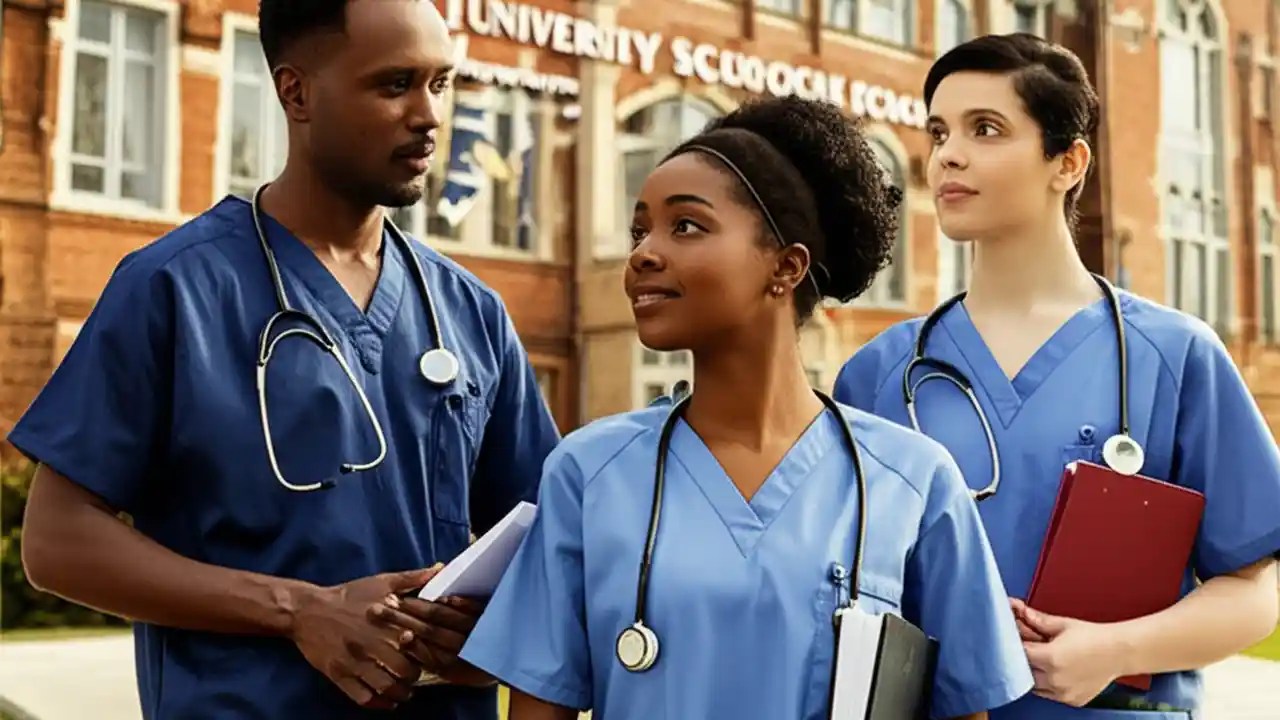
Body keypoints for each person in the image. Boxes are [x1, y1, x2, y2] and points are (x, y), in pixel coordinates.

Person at [10, 1, 559, 718]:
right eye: (395, 84)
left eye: (440, 84)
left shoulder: (471, 312)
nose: (428, 116)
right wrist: (298, 610)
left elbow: (550, 540)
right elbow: (56, 542)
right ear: (295, 91)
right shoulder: (175, 288)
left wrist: (490, 632)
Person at [419, 95, 1034, 720]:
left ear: (786, 266)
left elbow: (964, 708)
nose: (643, 255)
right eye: (641, 231)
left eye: (685, 226)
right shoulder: (587, 472)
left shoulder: (915, 480)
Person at [834, 33, 1280, 720]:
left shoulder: (1174, 356)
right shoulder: (877, 377)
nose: (948, 153)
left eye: (986, 129)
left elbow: (1255, 590)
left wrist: (1117, 649)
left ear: (1068, 162)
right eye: (938, 131)